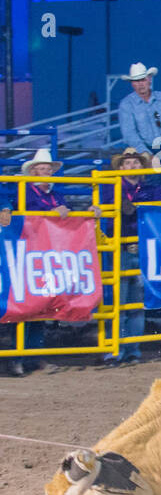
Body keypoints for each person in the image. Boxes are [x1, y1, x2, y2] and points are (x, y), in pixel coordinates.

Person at [100, 148, 161, 365]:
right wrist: (119, 204)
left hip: (140, 249)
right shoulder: (111, 188)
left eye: (136, 163)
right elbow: (105, 206)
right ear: (120, 167)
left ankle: (131, 351)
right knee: (118, 303)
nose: (133, 166)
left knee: (135, 305)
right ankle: (114, 350)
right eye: (128, 163)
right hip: (120, 250)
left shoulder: (149, 189)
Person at [0, 150, 73, 375]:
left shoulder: (53, 195)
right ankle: (18, 357)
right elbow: (26, 211)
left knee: (38, 306)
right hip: (25, 254)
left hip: (40, 255)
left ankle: (29, 357)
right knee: (23, 305)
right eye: (42, 168)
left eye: (48, 169)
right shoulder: (24, 191)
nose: (46, 172)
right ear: (33, 171)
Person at [117, 62, 161, 162]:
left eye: (143, 80)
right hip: (141, 153)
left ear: (149, 79)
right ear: (132, 84)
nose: (140, 84)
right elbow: (130, 134)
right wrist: (147, 156)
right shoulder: (126, 105)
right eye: (136, 81)